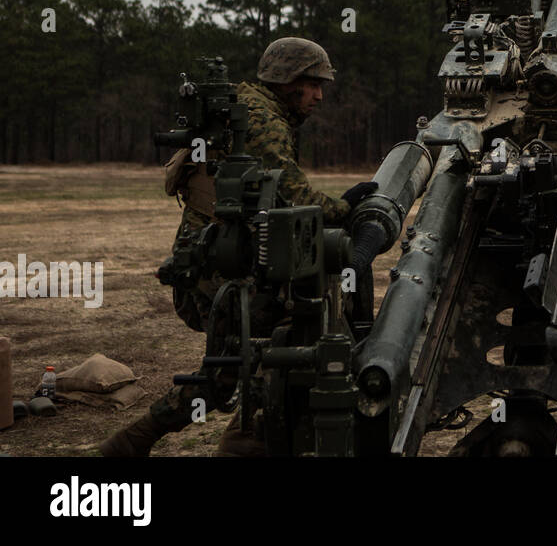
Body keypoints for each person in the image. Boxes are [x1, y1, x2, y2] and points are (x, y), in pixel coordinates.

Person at [99, 37, 376, 456]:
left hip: (223, 261)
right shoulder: (262, 119)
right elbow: (294, 195)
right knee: (252, 359)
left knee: (260, 355)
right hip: (218, 271)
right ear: (287, 81)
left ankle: (222, 438)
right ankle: (156, 441)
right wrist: (344, 207)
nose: (319, 95)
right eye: (312, 84)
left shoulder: (253, 107)